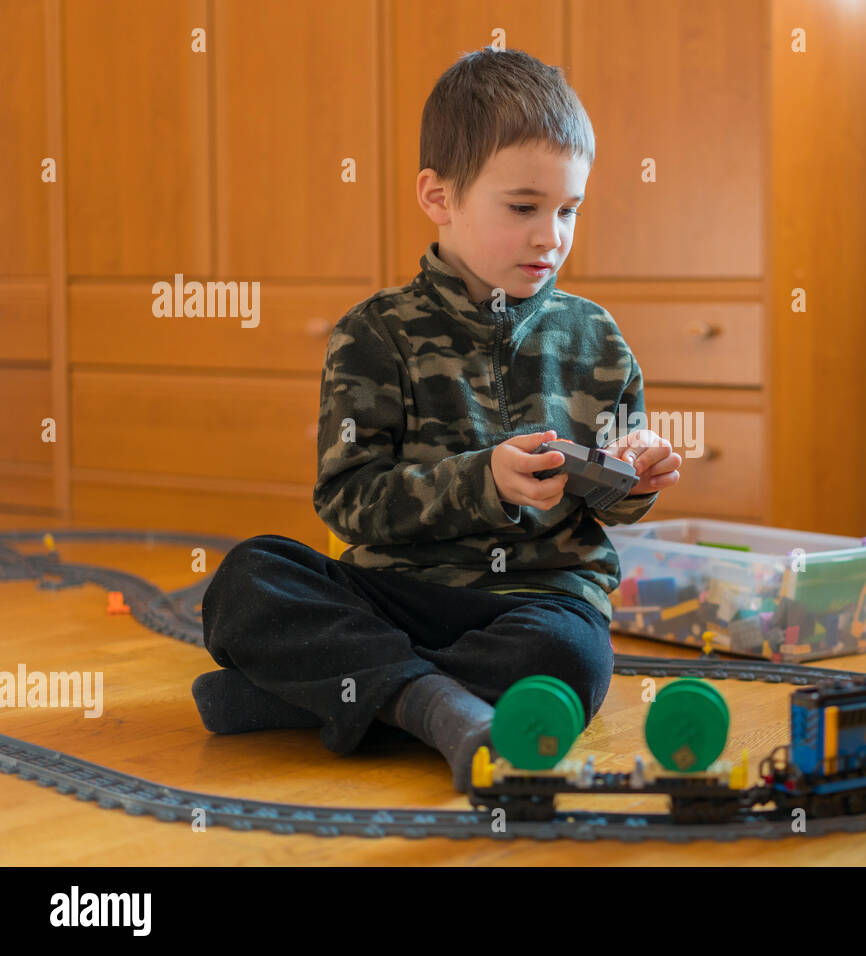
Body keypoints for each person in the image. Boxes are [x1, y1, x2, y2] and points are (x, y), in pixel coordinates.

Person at [192, 47, 681, 793]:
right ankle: (433, 702)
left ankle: (321, 694)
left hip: (536, 604)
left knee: (572, 659)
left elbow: (612, 509)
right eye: (523, 207)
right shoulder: (373, 334)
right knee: (249, 579)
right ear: (439, 196)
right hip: (400, 597)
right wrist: (483, 482)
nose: (551, 235)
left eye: (568, 210)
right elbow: (350, 502)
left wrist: (638, 478)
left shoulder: (596, 339)